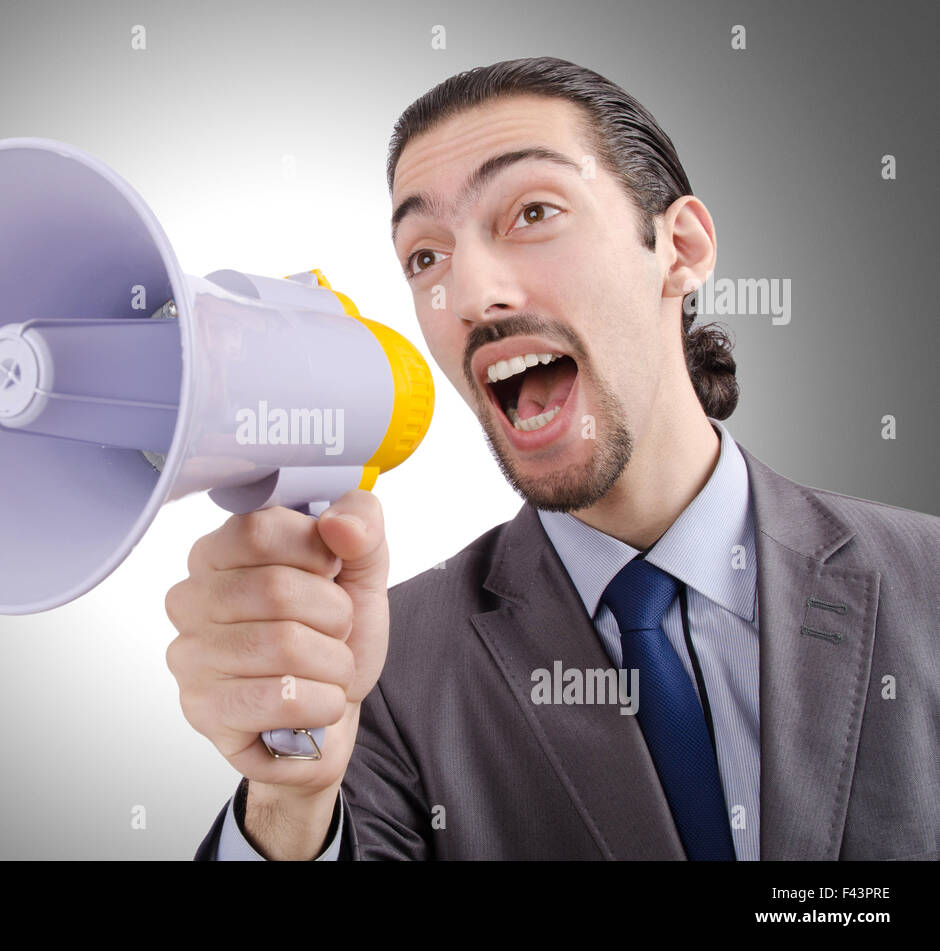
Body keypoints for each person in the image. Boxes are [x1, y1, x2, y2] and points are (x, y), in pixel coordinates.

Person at [165, 57, 940, 860]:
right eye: (424, 256)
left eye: (532, 211)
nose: (468, 295)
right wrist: (291, 800)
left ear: (679, 246)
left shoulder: (927, 583)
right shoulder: (380, 667)